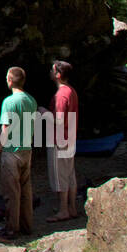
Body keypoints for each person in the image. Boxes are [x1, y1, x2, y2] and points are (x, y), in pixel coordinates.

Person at [0, 66, 37, 239]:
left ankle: (12, 229)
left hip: (12, 151)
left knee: (12, 193)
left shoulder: (9, 102)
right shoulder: (31, 100)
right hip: (27, 150)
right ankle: (27, 225)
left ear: (10, 81)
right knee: (26, 191)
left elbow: (5, 129)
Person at [46, 61, 79, 221]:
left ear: (58, 75)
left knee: (59, 176)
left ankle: (63, 210)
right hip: (70, 137)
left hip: (59, 139)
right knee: (70, 174)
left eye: (52, 70)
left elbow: (58, 119)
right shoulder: (71, 91)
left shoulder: (61, 95)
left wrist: (43, 112)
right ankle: (72, 207)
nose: (50, 72)